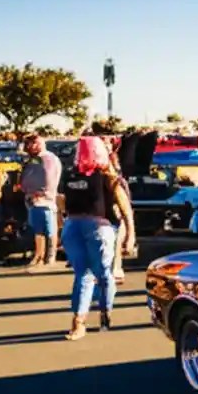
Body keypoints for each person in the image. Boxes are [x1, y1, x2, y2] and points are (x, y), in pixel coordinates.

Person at [61, 136, 130, 340]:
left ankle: (98, 314)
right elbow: (63, 202)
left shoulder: (107, 177)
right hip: (82, 226)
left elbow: (125, 209)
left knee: (96, 274)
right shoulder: (75, 175)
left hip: (89, 226)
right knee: (88, 273)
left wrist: (129, 236)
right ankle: (85, 319)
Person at [19, 134, 62, 270]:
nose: (29, 147)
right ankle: (39, 255)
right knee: (38, 230)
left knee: (50, 229)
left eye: (32, 143)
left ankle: (50, 256)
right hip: (33, 200)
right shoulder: (34, 160)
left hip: (45, 200)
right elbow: (28, 175)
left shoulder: (48, 159)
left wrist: (42, 192)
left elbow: (48, 178)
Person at [103, 142, 136, 285]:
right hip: (105, 216)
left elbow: (125, 207)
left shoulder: (116, 180)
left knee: (116, 240)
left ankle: (116, 268)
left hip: (115, 216)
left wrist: (130, 233)